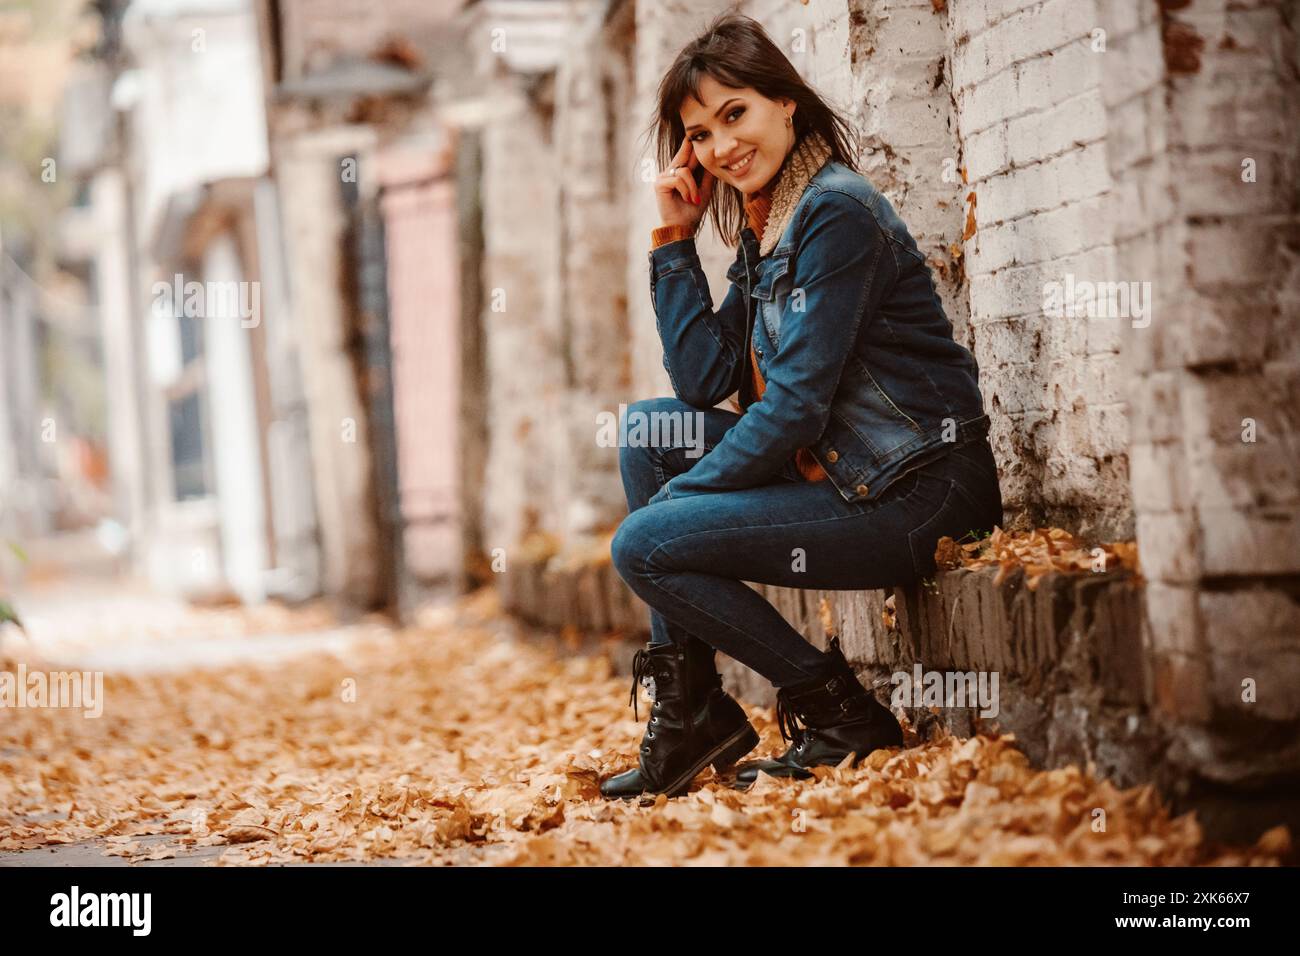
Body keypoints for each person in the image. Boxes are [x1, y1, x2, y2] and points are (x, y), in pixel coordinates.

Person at [601, 12, 1003, 801]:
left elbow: (793, 409)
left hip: (918, 490)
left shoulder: (835, 214)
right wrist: (672, 239)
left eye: (734, 114)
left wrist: (689, 497)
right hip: (845, 475)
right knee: (650, 432)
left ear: (785, 103)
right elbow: (702, 378)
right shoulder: (771, 218)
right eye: (701, 133)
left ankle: (838, 710)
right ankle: (695, 714)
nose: (721, 147)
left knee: (645, 543)